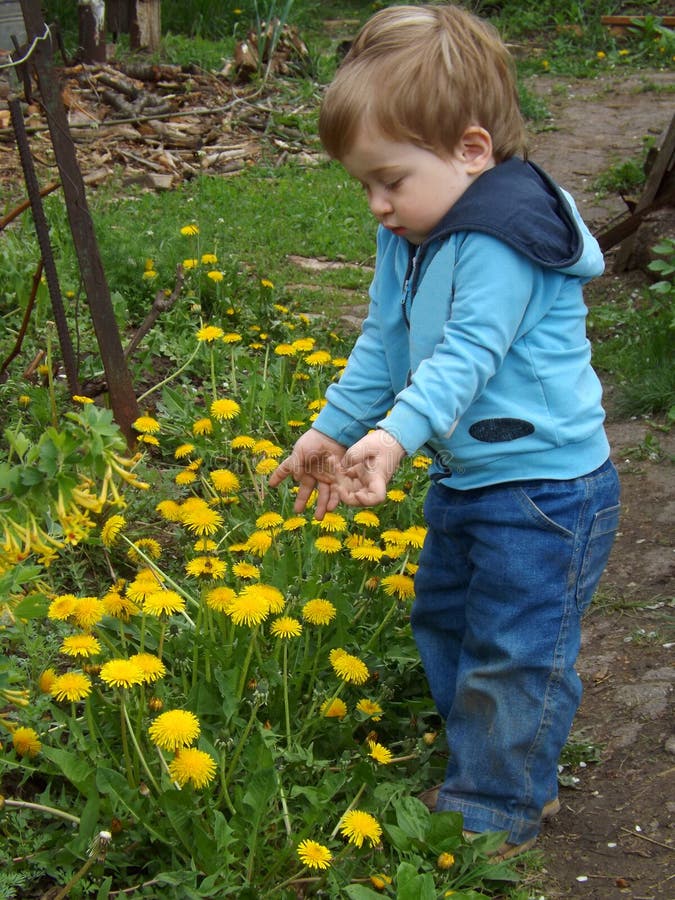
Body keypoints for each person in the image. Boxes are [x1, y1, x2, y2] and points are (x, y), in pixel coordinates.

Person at [269, 3, 620, 858]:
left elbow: (465, 354)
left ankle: (498, 802)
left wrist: (396, 437)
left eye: (390, 179)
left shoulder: (501, 238)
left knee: (515, 646)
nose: (378, 205)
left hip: (546, 490)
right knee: (447, 618)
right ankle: (486, 751)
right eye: (364, 186)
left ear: (470, 150)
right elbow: (386, 339)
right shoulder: (414, 231)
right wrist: (332, 428)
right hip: (475, 477)